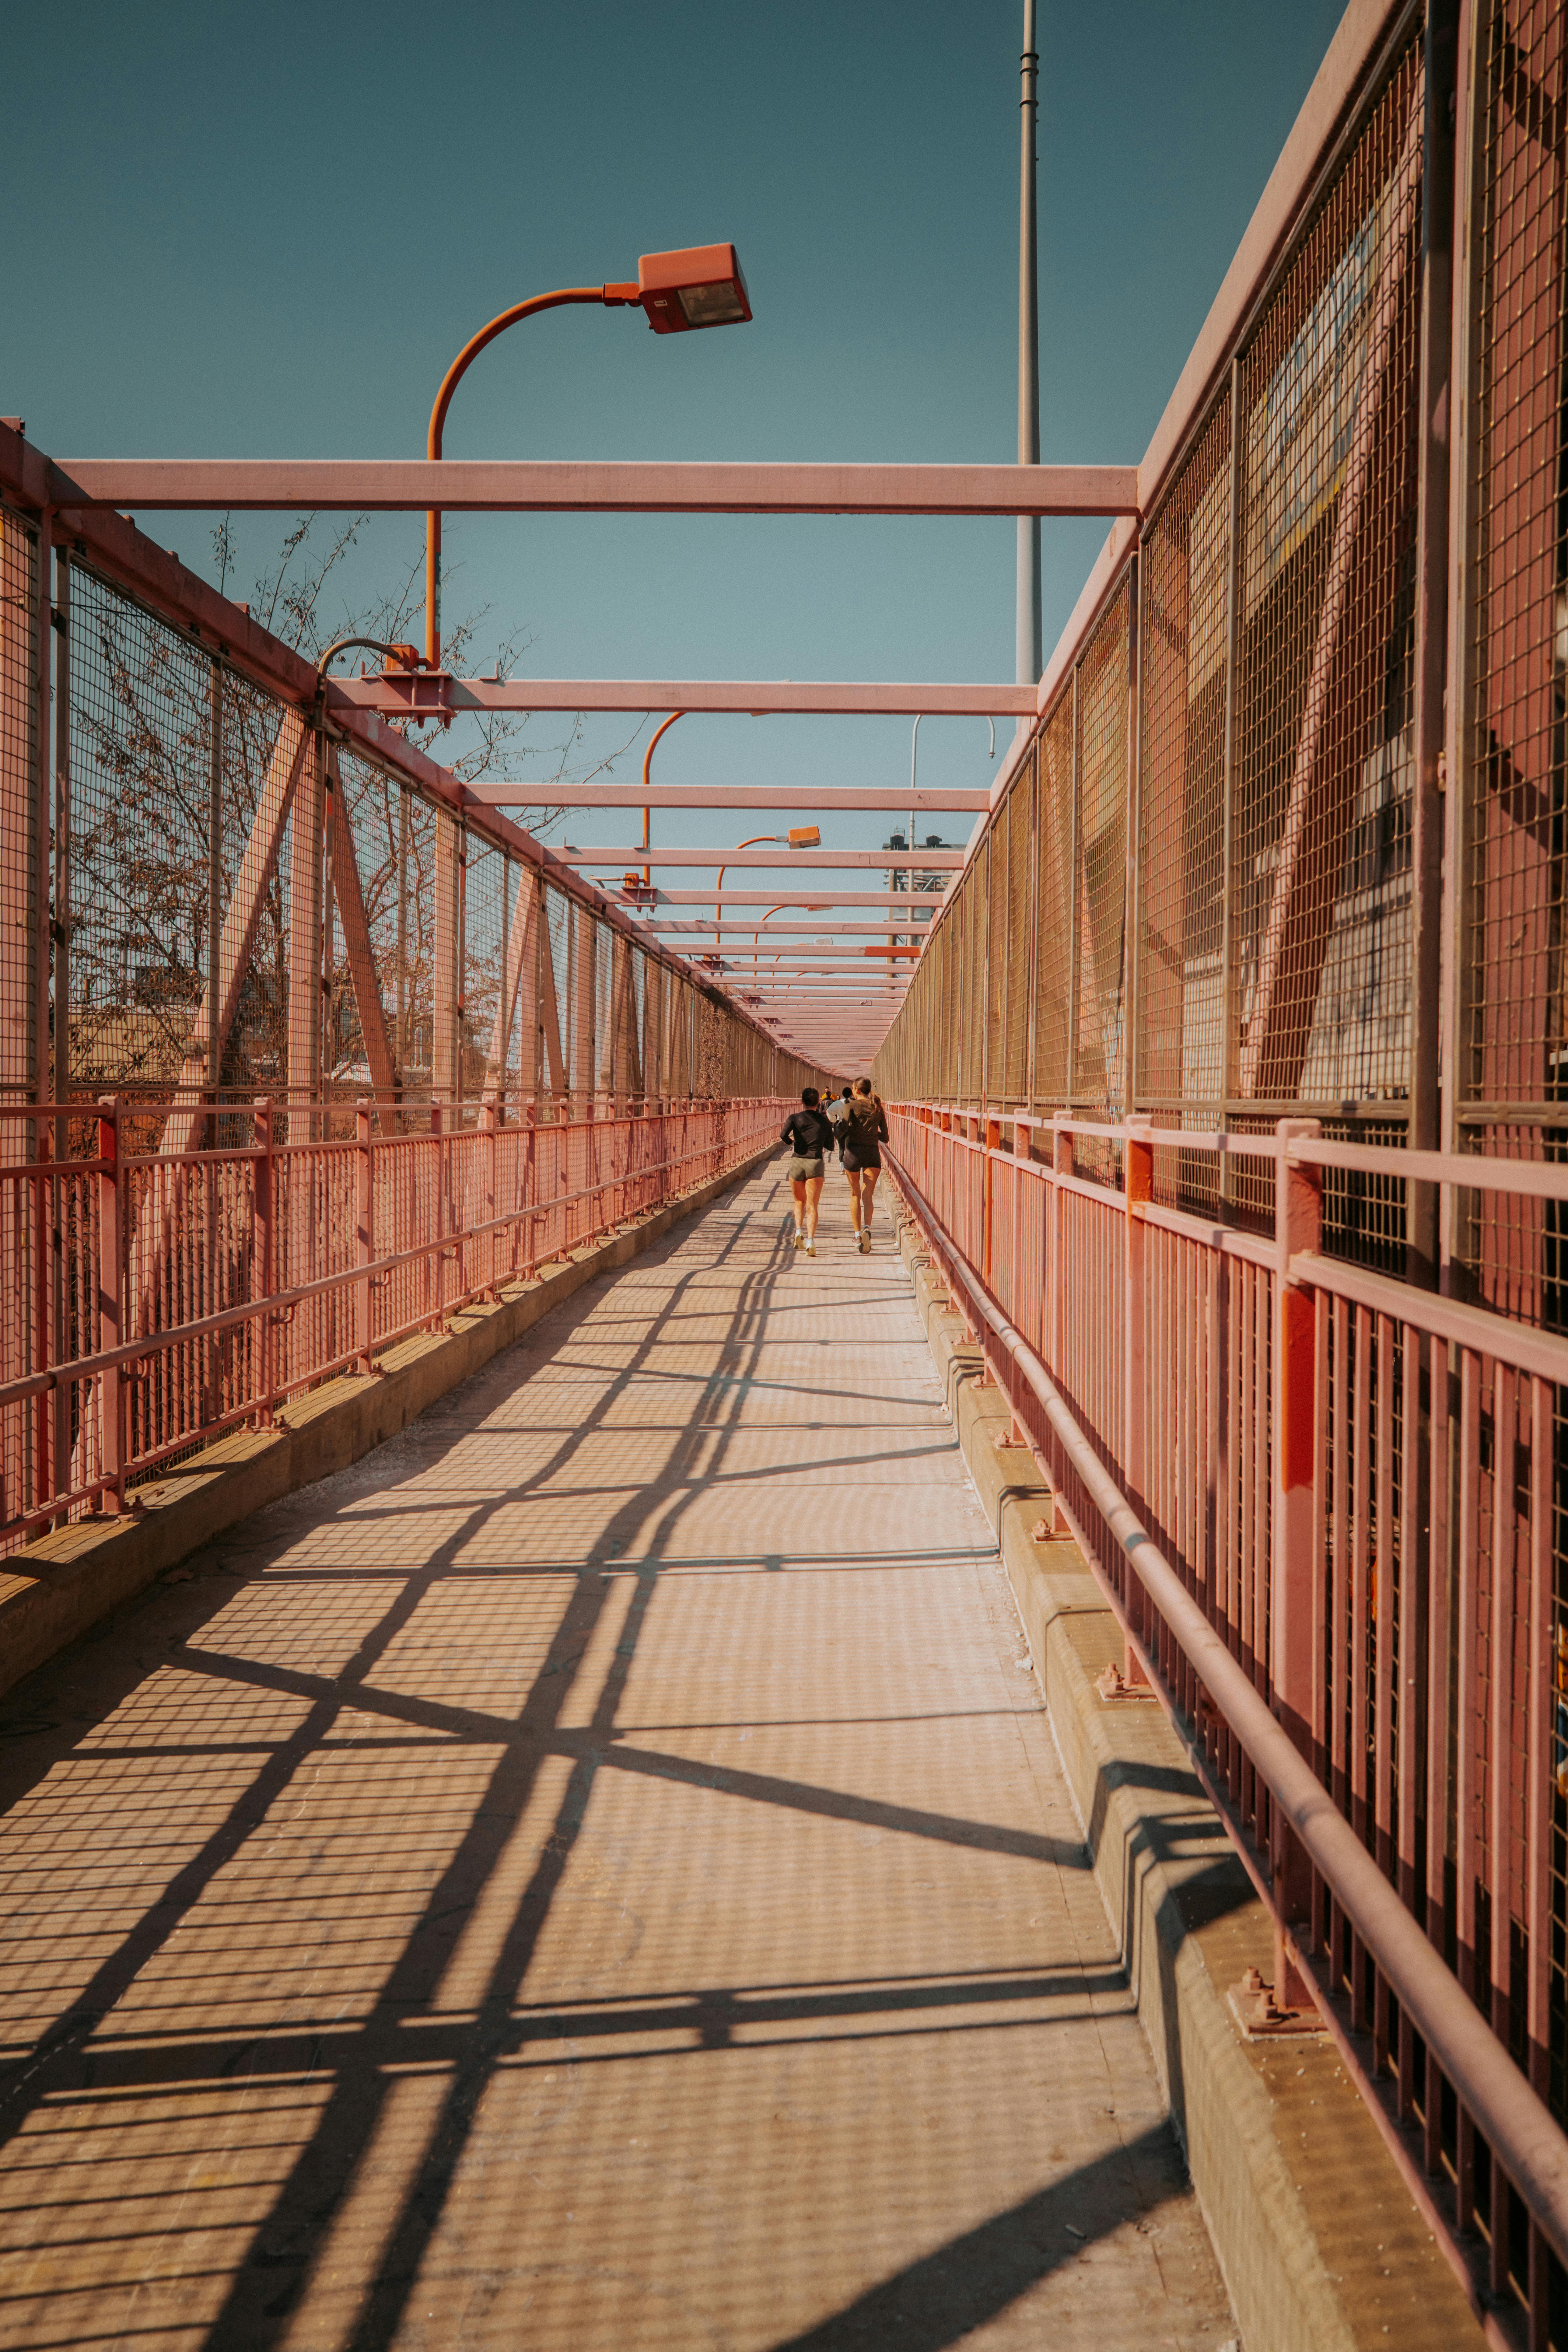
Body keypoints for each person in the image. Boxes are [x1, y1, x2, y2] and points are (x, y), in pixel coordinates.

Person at [779, 1087, 836, 1255]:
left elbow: (783, 1135)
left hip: (797, 1162)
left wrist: (793, 1144)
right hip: (815, 1163)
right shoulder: (825, 1121)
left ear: (802, 1101)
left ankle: (798, 1231)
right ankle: (811, 1240)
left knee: (799, 1201)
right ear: (819, 1102)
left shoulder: (795, 1118)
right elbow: (831, 1147)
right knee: (812, 1206)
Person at [841, 1078, 889, 1252]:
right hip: (872, 1155)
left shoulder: (851, 1106)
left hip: (853, 1154)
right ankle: (867, 1228)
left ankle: (857, 1235)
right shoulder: (878, 1108)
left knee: (855, 1194)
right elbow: (885, 1138)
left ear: (856, 1090)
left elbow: (843, 1129)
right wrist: (872, 1133)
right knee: (868, 1195)